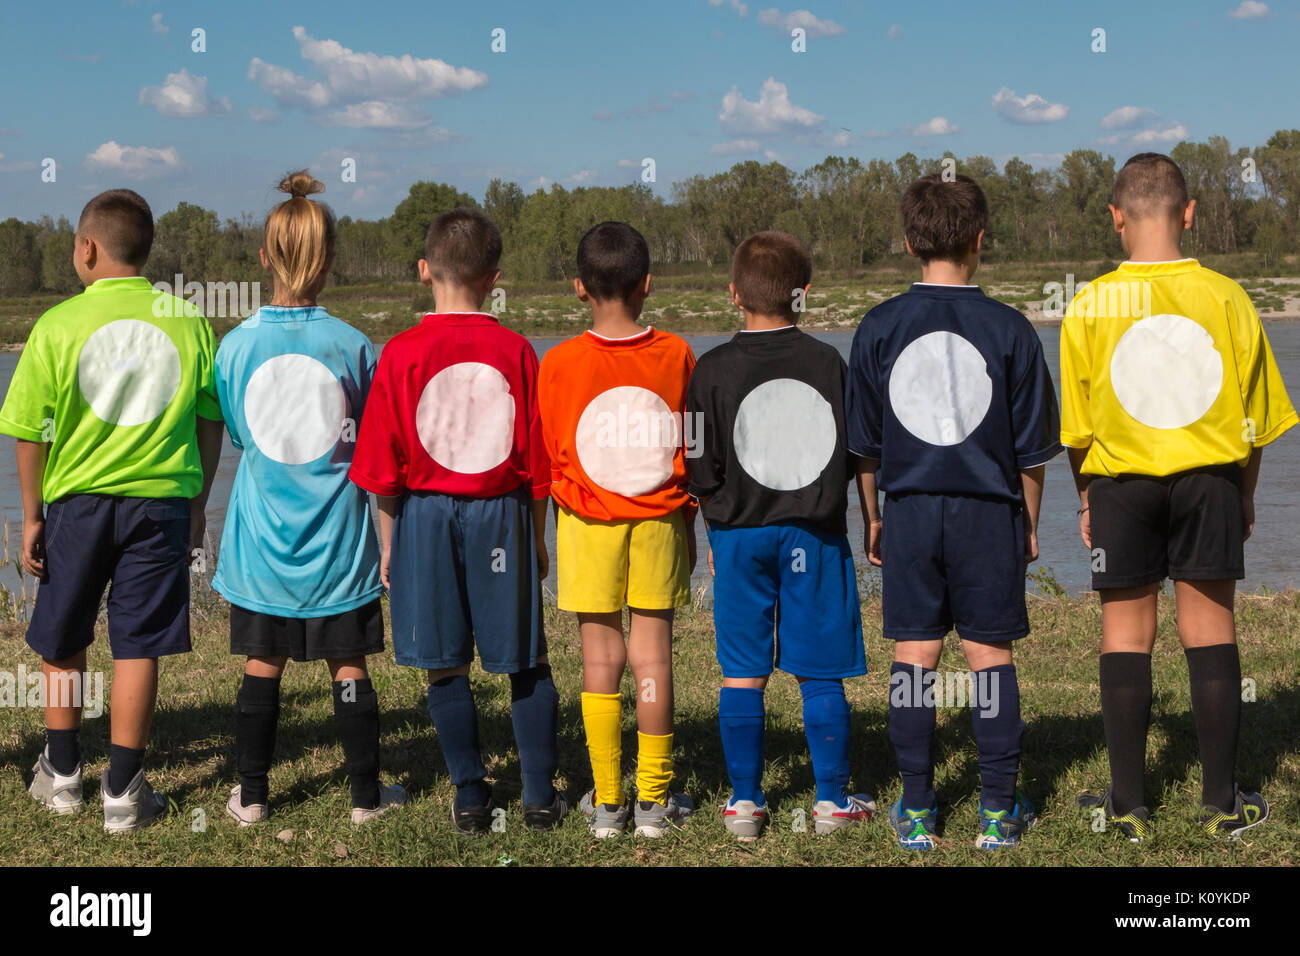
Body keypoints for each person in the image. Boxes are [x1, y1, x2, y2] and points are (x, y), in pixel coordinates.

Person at [1060, 152, 1297, 840]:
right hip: (1211, 481)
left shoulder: (1089, 304)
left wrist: (1085, 499)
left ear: (1115, 218)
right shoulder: (1228, 298)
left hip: (1119, 485)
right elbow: (1255, 424)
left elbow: (1076, 430)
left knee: (1125, 633)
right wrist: (1244, 496)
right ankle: (1223, 806)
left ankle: (1127, 806)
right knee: (1210, 629)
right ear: (1189, 214)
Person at [847, 173, 1061, 850]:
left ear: (910, 242)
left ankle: (916, 807)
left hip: (908, 511)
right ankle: (997, 809)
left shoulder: (878, 326)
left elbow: (865, 449)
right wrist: (1027, 522)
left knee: (916, 656)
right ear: (980, 238)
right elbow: (1032, 453)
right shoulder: (1011, 329)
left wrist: (874, 518)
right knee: (988, 655)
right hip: (989, 514)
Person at [1, 188, 223, 832]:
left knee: (64, 635)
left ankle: (62, 774)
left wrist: (34, 514)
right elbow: (211, 424)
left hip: (77, 506)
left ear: (88, 248)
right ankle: (123, 791)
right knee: (138, 644)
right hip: (161, 506)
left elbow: (29, 433)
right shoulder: (188, 320)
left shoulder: (56, 325)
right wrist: (199, 501)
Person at [349, 207, 564, 833]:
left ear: (424, 271)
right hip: (503, 515)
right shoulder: (518, 350)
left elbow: (383, 470)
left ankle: (470, 796)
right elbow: (535, 462)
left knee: (444, 661)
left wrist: (390, 547)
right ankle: (539, 797)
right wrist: (536, 538)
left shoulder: (400, 353)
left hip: (425, 517)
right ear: (493, 278)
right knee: (525, 657)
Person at [213, 171, 404, 827]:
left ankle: (253, 796)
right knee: (347, 663)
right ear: (328, 260)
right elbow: (375, 446)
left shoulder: (233, 347)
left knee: (261, 664)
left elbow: (241, 435)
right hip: (340, 544)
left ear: (264, 256)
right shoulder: (353, 345)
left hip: (262, 544)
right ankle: (364, 798)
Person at [686, 230, 873, 841]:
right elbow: (853, 452)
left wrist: (713, 524)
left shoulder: (708, 369)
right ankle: (830, 803)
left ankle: (744, 803)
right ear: (804, 295)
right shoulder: (828, 363)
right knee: (820, 671)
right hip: (813, 537)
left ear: (733, 293)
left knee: (742, 669)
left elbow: (693, 461)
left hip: (738, 537)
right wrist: (869, 516)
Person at [538, 221, 697, 838]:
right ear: (648, 285)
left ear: (579, 288)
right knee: (653, 656)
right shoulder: (678, 353)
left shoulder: (558, 362)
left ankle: (608, 803)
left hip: (584, 523)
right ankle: (654, 804)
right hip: (659, 519)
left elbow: (554, 451)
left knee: (599, 659)